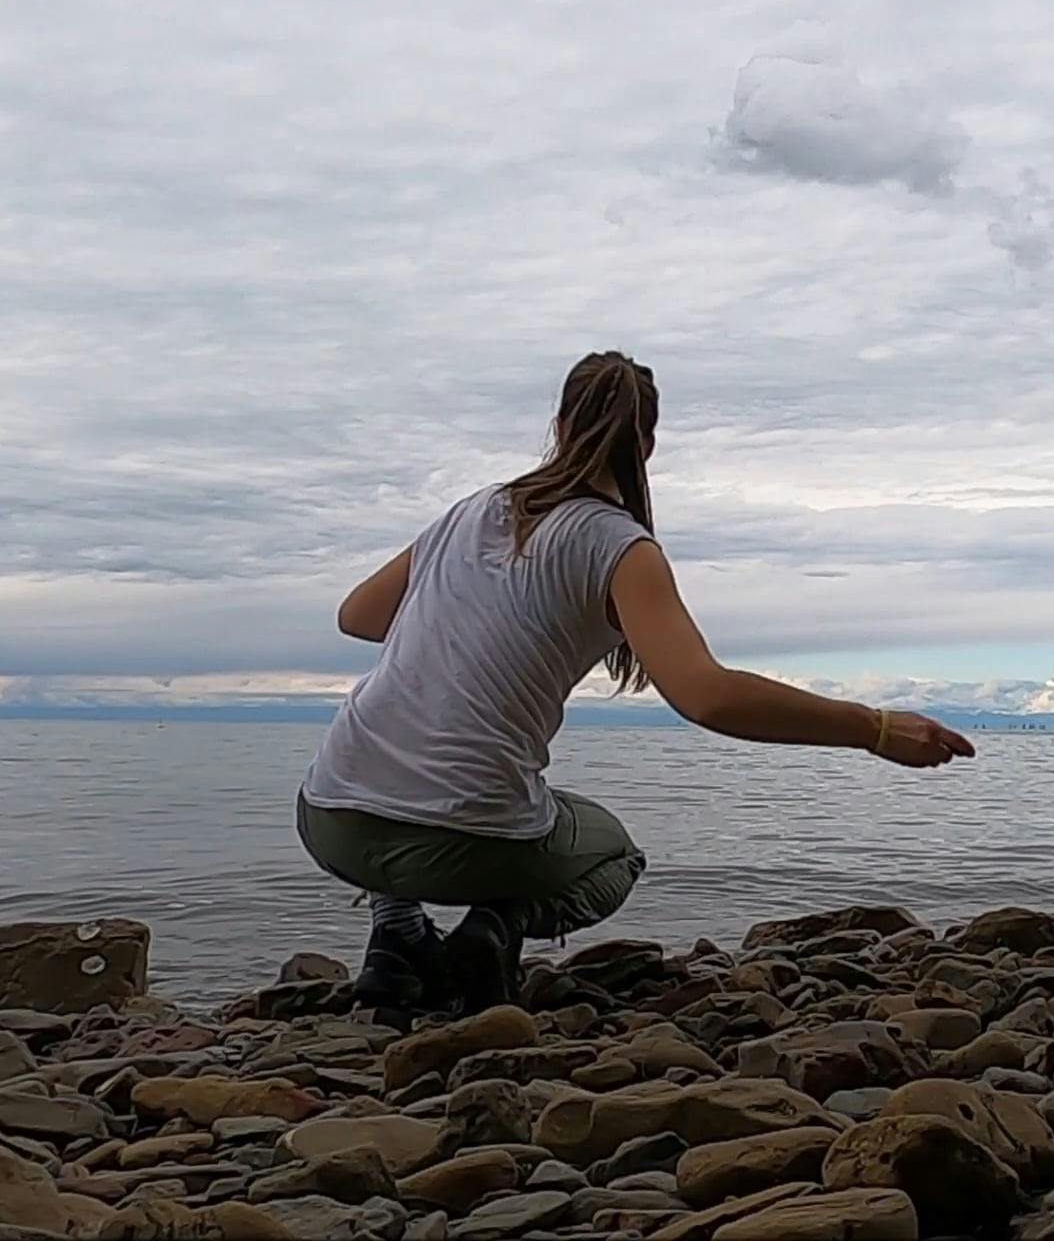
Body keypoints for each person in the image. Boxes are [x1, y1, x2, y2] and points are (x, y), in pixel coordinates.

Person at [296, 351, 975, 1017]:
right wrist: (875, 729)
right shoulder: (619, 546)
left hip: (327, 818)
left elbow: (358, 616)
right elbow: (706, 694)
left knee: (428, 791)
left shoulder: (470, 511)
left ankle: (396, 939)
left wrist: (461, 614)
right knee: (612, 855)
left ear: (558, 425)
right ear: (647, 444)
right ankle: (489, 934)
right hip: (454, 844)